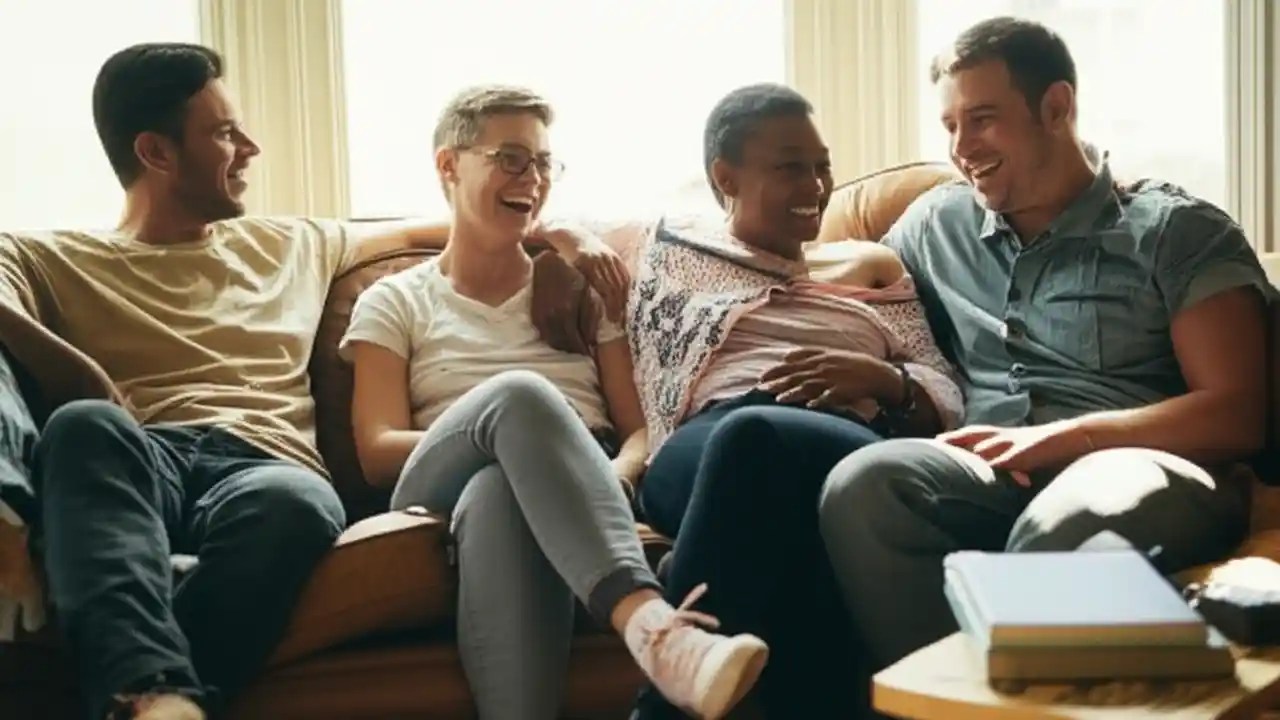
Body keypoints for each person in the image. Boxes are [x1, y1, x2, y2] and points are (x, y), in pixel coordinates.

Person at [0, 45, 622, 720]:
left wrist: (564, 240)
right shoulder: (52, 257)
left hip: (267, 471)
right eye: (224, 133)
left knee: (296, 503)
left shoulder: (296, 242)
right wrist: (84, 378)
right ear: (155, 152)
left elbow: (476, 220)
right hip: (141, 455)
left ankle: (152, 694)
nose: (251, 147)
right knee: (84, 426)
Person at [818, 15, 1273, 703]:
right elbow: (814, 269)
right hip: (988, 464)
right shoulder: (934, 227)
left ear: (1057, 107)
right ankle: (948, 713)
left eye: (983, 119)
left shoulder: (1176, 232)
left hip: (1146, 466)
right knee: (865, 485)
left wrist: (1068, 437)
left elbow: (1239, 413)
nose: (961, 148)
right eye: (949, 126)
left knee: (1062, 529)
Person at [340, 84, 769, 720]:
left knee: (501, 492)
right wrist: (509, 432)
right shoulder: (396, 299)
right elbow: (377, 453)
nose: (533, 179)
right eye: (511, 158)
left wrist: (616, 473)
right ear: (448, 165)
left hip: (573, 487)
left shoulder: (580, 290)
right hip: (436, 486)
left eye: (543, 163)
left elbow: (639, 431)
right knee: (518, 399)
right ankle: (654, 628)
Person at [624, 84, 964, 718]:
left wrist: (882, 379)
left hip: (833, 440)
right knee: (754, 455)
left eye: (821, 165)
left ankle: (663, 703)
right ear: (724, 176)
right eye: (789, 167)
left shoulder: (871, 265)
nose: (815, 185)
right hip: (701, 447)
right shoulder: (669, 244)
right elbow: (535, 226)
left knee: (761, 452)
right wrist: (568, 250)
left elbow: (944, 387)